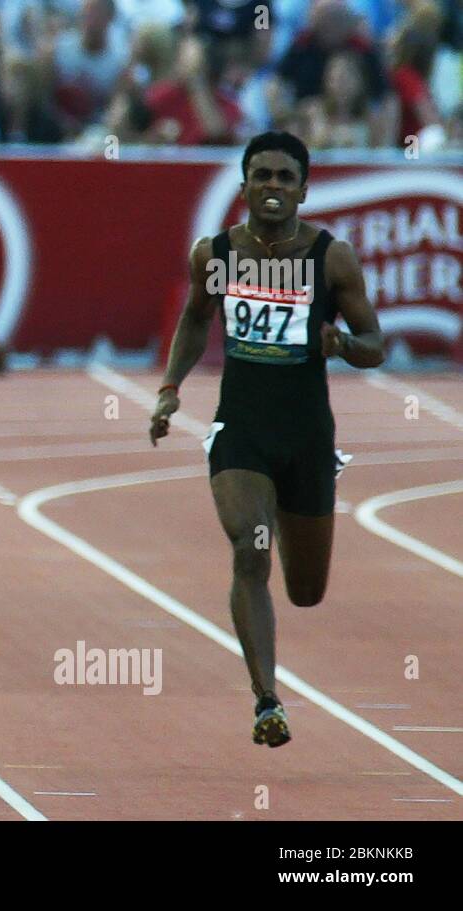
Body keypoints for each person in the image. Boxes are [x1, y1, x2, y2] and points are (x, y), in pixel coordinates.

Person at [149, 131, 384, 747]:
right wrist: (170, 388)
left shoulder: (332, 259)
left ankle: (281, 512)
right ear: (245, 183)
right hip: (242, 432)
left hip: (307, 435)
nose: (273, 186)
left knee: (306, 591)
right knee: (250, 554)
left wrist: (345, 346)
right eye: (262, 176)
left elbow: (375, 345)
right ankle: (266, 700)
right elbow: (197, 320)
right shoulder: (217, 254)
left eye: (285, 177)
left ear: (304, 189)